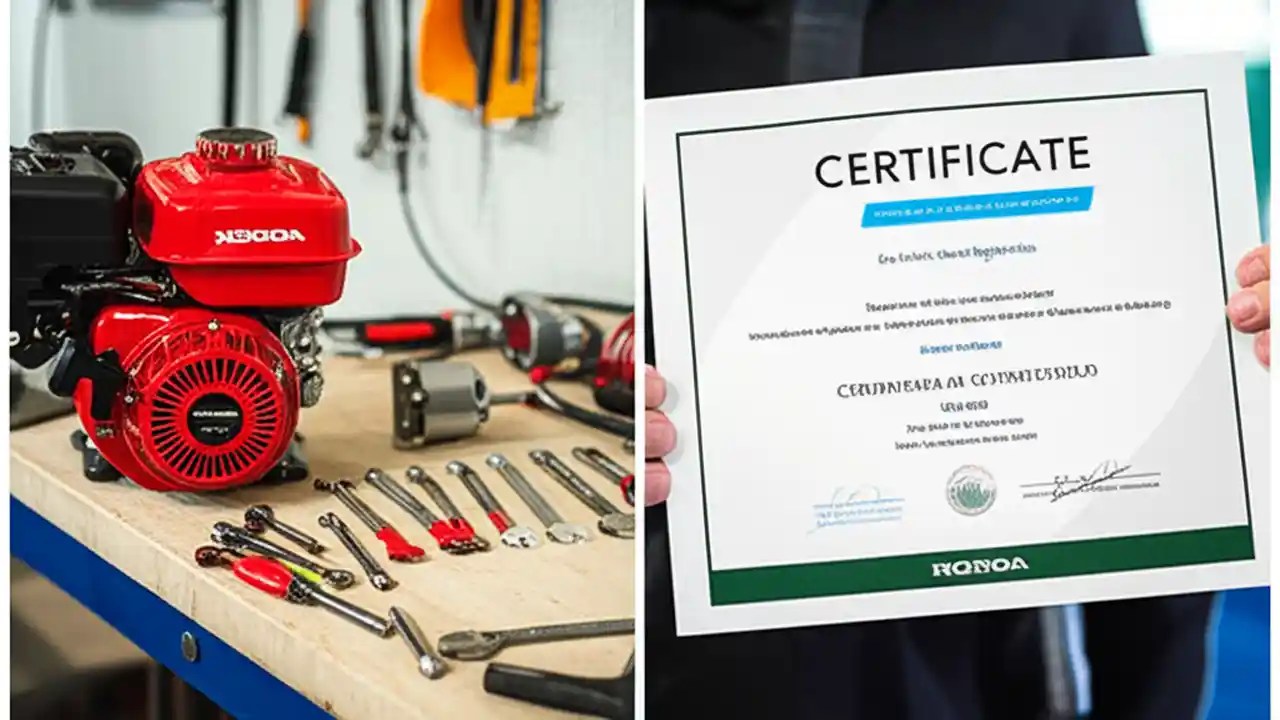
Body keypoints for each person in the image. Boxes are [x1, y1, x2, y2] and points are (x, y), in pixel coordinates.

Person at [643, 1, 1271, 718]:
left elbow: (1143, 320)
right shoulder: (652, 30)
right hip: (704, 623)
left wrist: (1225, 343)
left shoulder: (1062, 13)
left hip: (981, 631)